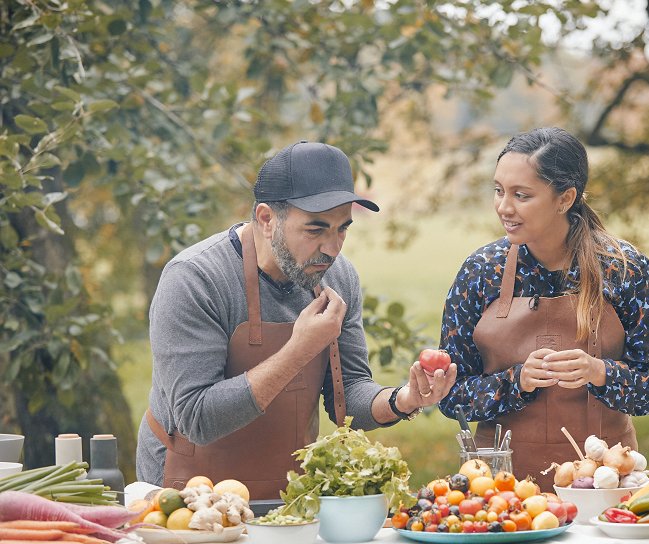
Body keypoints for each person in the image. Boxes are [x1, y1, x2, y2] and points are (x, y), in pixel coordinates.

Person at [136, 140, 456, 498]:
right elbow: (196, 418)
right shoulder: (195, 279)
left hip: (287, 493)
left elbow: (347, 396)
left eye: (342, 229)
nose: (333, 248)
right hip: (186, 493)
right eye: (316, 230)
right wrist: (298, 350)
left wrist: (405, 398)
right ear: (267, 219)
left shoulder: (338, 278)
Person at [437, 127, 649, 483]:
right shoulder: (482, 272)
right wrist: (516, 381)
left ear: (565, 199)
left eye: (522, 195)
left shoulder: (624, 269)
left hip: (604, 482)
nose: (504, 207)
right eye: (499, 191)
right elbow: (451, 396)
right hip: (500, 487)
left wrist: (601, 373)